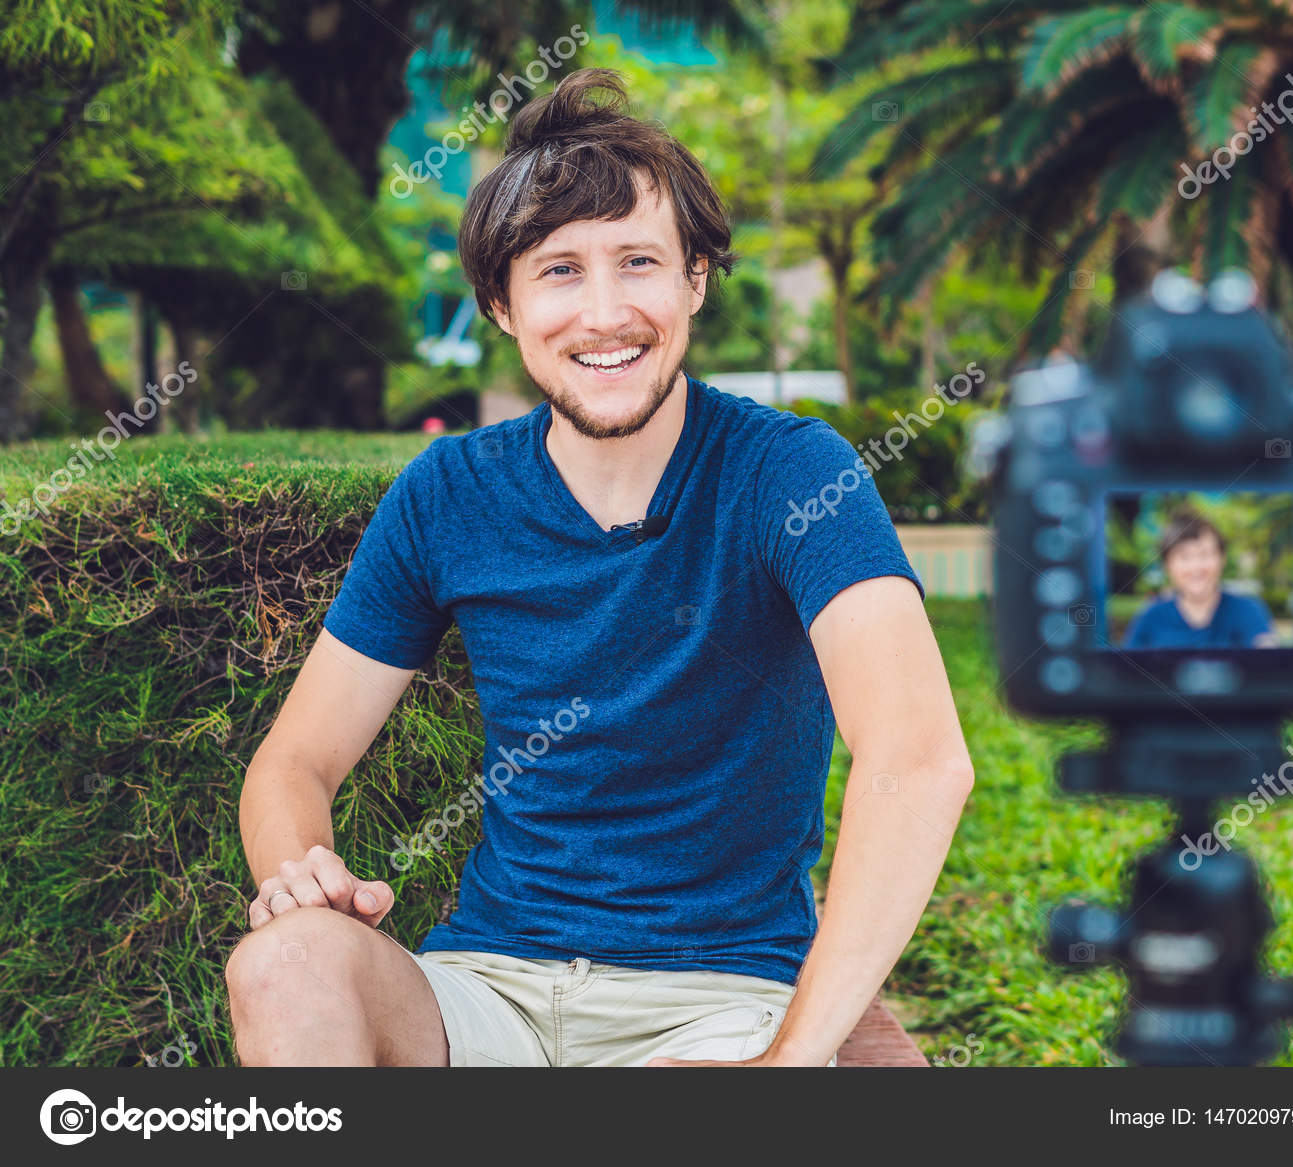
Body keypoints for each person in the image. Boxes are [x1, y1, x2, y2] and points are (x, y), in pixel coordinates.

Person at [224, 69, 974, 1068]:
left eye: (638, 261)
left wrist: (784, 1065)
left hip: (722, 997)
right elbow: (293, 763)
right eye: (559, 270)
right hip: (491, 987)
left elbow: (918, 760)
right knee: (282, 964)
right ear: (502, 303)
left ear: (695, 278)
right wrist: (298, 874)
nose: (606, 311)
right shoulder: (449, 491)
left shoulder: (792, 472)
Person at [1121, 512, 1277, 649]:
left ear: (1222, 559)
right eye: (1185, 557)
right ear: (1167, 565)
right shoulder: (1150, 617)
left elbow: (1269, 663)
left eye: (1205, 554)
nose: (1196, 567)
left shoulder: (1248, 611)